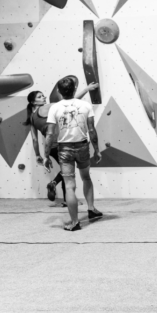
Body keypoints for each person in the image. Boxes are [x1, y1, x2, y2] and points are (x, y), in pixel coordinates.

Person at [24, 80, 99, 206]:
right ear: (33, 102)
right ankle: (55, 184)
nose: (44, 97)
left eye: (43, 95)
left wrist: (38, 155)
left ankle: (66, 199)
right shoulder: (48, 107)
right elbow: (69, 102)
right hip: (61, 143)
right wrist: (86, 90)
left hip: (50, 148)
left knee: (66, 171)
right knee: (67, 172)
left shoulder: (31, 118)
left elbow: (35, 139)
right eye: (39, 96)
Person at [43, 76, 102, 231]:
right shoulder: (85, 105)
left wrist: (46, 155)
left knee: (70, 187)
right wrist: (96, 149)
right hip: (83, 147)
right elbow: (91, 130)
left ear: (58, 91)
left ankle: (75, 222)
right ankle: (91, 209)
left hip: (64, 149)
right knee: (86, 177)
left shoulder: (54, 108)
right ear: (75, 89)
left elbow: (49, 134)